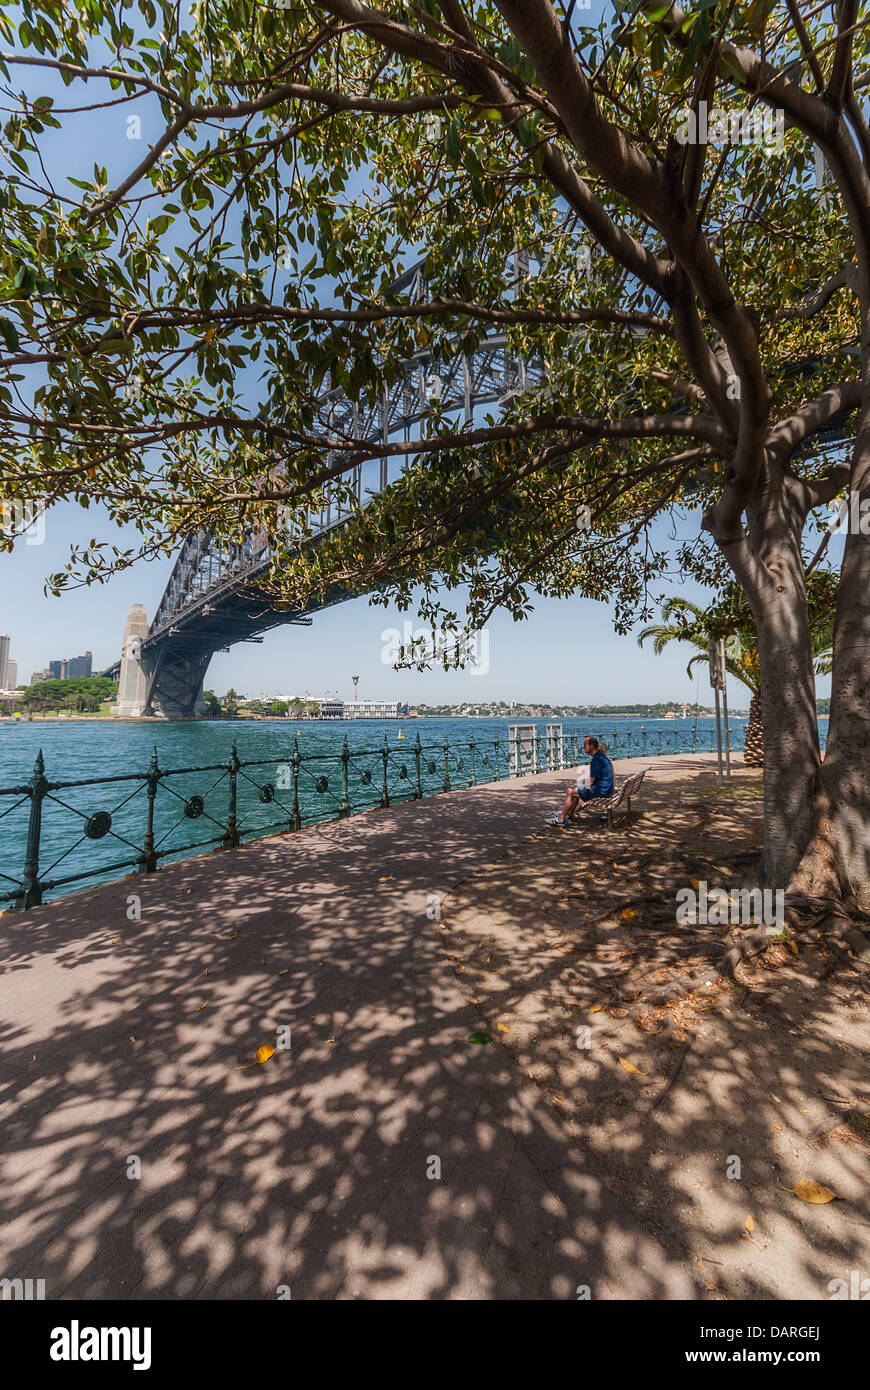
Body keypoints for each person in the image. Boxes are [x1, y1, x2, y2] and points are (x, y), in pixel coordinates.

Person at [547, 736, 614, 825]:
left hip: (602, 791)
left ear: (592, 746)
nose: (583, 747)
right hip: (606, 789)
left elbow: (591, 782)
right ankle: (567, 815)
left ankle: (561, 819)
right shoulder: (600, 757)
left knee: (570, 791)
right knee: (576, 792)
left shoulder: (596, 760)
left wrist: (580, 787)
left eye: (585, 745)